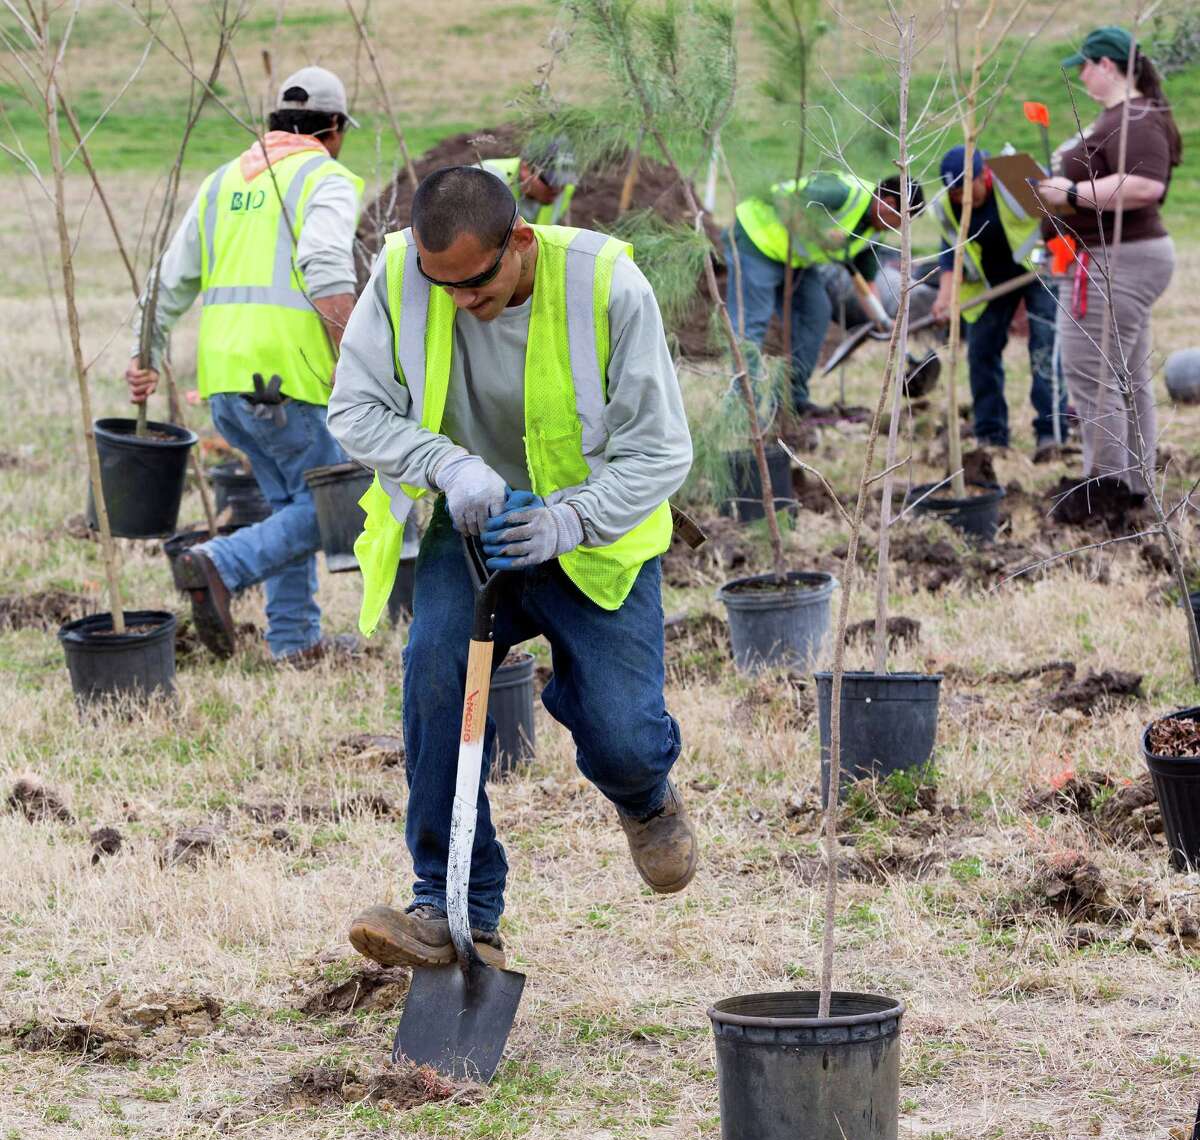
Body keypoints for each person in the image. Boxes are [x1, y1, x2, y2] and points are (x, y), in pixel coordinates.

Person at [328, 167, 694, 968]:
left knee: (623, 735)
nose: (459, 301)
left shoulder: (609, 286)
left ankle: (646, 797)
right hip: (477, 532)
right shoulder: (401, 277)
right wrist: (447, 465)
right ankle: (453, 903)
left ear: (519, 242)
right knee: (434, 673)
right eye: (442, 285)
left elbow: (663, 450)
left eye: (476, 282)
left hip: (593, 540)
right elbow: (352, 407)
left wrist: (570, 518)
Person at [126, 68, 364, 666]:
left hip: (230, 381)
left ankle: (293, 640)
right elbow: (329, 265)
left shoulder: (222, 182)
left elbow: (168, 280)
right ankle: (221, 564)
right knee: (343, 506)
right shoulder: (324, 177)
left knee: (291, 504)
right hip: (294, 375)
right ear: (333, 129)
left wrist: (144, 356)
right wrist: (352, 360)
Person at [1037, 26, 1182, 501]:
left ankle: (1106, 491)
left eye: (1085, 65)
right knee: (1125, 375)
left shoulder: (1136, 117)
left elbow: (1145, 185)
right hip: (1111, 256)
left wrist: (1072, 192)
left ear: (1107, 65)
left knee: (1090, 371)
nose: (1080, 75)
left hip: (1119, 259)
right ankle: (1132, 488)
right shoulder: (1122, 116)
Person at [725, 172, 924, 414]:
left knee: (816, 313)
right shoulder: (842, 191)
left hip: (795, 260)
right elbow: (788, 202)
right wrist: (819, 234)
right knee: (752, 324)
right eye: (902, 220)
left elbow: (865, 281)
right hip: (756, 239)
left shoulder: (874, 230)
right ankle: (742, 410)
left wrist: (882, 321)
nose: (900, 228)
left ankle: (790, 401)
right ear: (890, 205)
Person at [931, 146, 1068, 457]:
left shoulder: (1016, 175)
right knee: (981, 352)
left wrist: (1058, 256)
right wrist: (943, 298)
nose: (963, 199)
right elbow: (951, 253)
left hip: (1038, 271)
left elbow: (1061, 219)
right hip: (991, 281)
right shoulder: (946, 207)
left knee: (1044, 347)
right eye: (955, 193)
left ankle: (1051, 432)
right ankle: (991, 436)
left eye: (968, 189)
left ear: (984, 174)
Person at [481, 138, 577, 226]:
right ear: (525, 169)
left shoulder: (567, 189)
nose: (558, 189)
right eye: (550, 182)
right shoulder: (485, 179)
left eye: (563, 182)